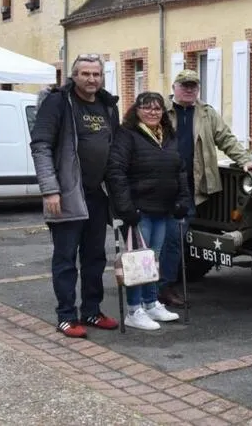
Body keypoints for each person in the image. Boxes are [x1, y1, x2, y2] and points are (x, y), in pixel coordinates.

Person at [30, 54, 121, 338]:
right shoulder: (58, 102)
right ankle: (66, 316)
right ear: (74, 76)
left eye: (96, 74)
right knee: (66, 259)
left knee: (95, 258)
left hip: (97, 195)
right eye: (85, 74)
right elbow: (41, 146)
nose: (91, 79)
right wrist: (50, 190)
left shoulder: (108, 105)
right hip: (67, 194)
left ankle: (91, 310)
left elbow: (115, 148)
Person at [158, 69, 252, 307]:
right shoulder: (161, 110)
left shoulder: (206, 113)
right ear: (174, 87)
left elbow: (226, 139)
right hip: (161, 184)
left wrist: (246, 160)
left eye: (193, 86)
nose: (189, 90)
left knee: (175, 238)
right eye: (184, 85)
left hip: (190, 186)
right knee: (156, 238)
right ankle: (149, 288)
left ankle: (165, 287)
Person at [106, 91, 191, 330]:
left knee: (153, 259)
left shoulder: (168, 135)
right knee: (137, 261)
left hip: (162, 209)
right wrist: (125, 208)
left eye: (157, 108)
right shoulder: (127, 135)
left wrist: (182, 200)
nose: (153, 112)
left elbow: (180, 170)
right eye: (147, 107)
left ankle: (151, 303)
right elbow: (116, 172)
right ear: (137, 110)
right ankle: (134, 310)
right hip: (138, 211)